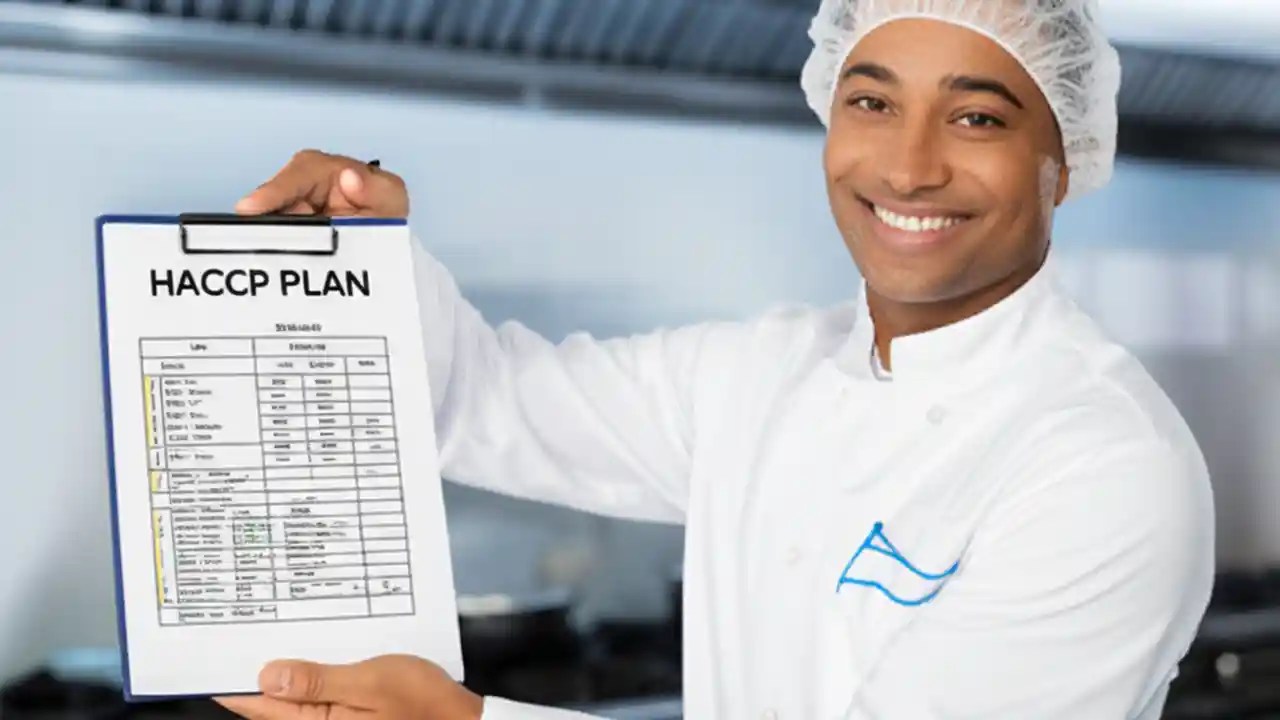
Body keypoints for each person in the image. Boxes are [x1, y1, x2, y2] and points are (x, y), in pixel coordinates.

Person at [216, 1, 1215, 718]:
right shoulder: (759, 371)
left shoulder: (1103, 463)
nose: (907, 165)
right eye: (870, 101)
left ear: (1063, 159)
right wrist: (361, 255)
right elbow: (478, 403)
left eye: (976, 117)